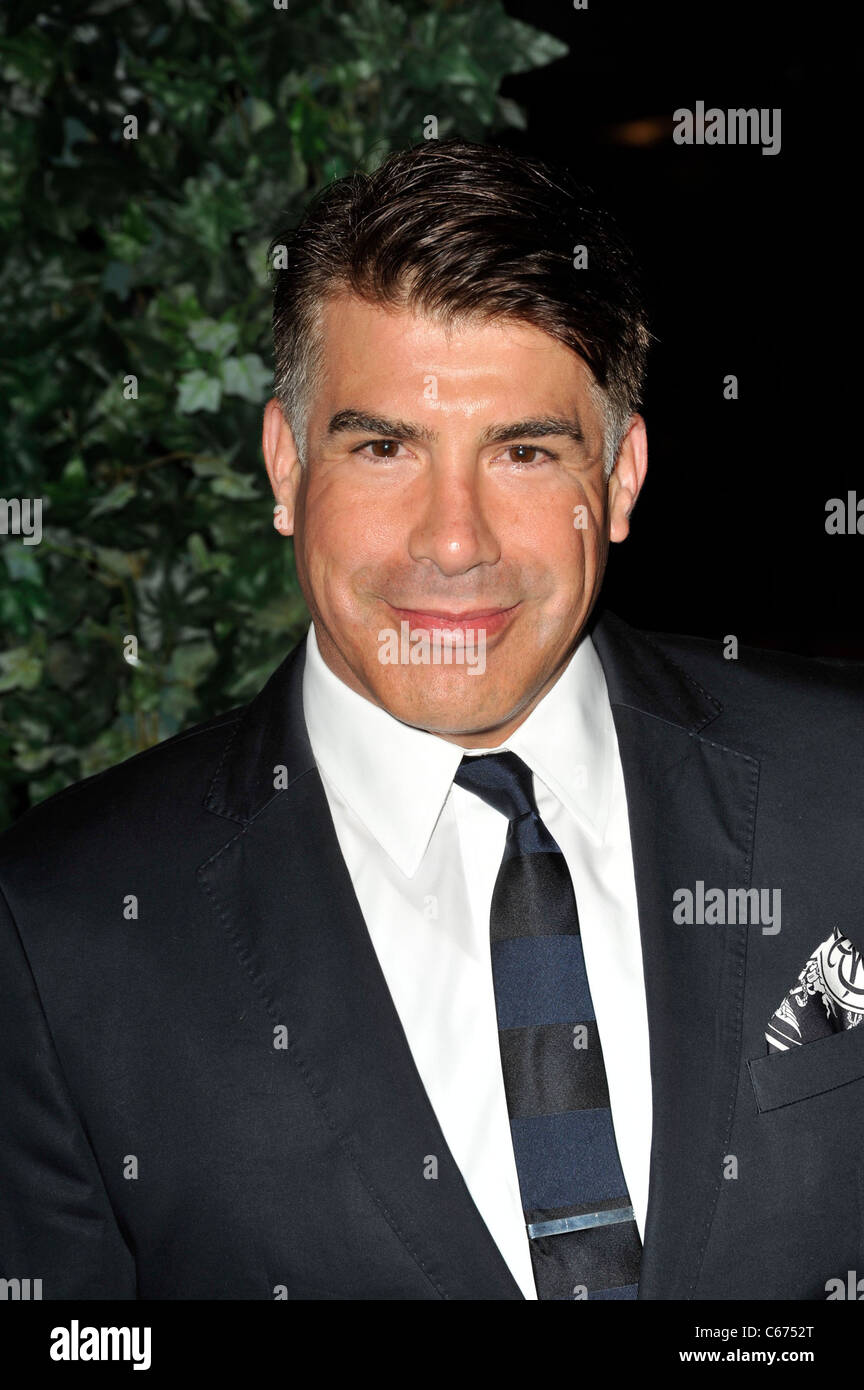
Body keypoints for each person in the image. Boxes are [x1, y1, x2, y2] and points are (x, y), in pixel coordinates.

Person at [1, 138, 862, 1302]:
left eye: (522, 450)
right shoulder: (59, 934)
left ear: (617, 481)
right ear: (286, 465)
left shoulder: (846, 782)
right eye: (383, 446)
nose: (452, 541)